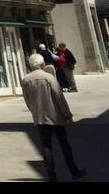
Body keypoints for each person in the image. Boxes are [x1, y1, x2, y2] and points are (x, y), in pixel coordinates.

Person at [22, 54, 86, 182]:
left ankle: (51, 175)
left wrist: (34, 112)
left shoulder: (26, 80)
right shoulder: (49, 78)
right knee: (64, 145)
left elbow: (27, 100)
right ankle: (74, 171)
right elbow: (59, 97)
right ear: (42, 65)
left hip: (40, 118)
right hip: (55, 116)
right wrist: (67, 115)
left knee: (46, 146)